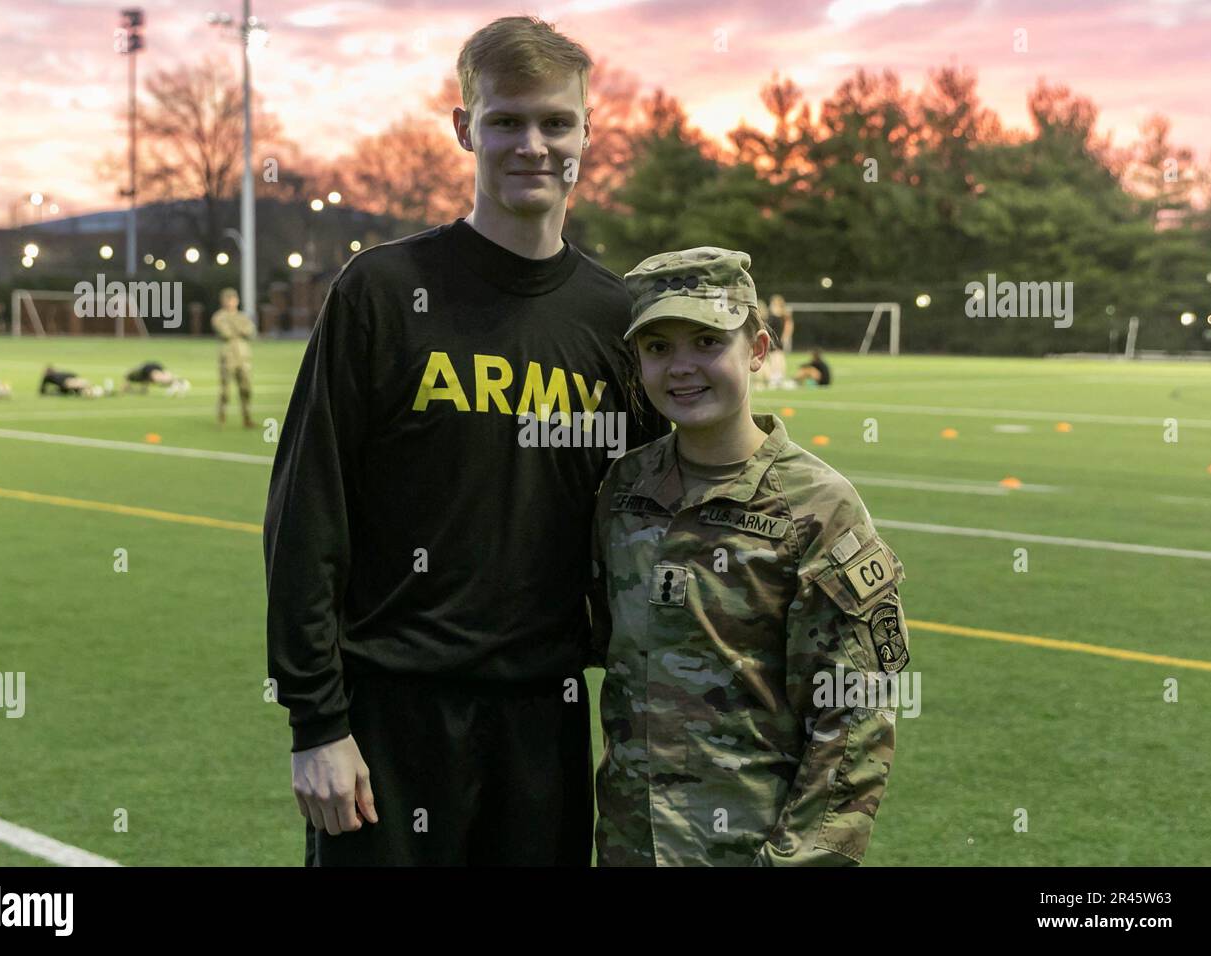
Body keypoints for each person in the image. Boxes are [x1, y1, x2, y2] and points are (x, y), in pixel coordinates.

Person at [264, 15, 668, 867]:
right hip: (390, 720)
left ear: (588, 134)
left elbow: (666, 514)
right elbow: (308, 512)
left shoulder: (616, 319)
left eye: (557, 121)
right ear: (464, 128)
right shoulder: (381, 291)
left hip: (545, 718)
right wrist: (317, 725)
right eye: (506, 120)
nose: (533, 144)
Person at [590, 247, 909, 866]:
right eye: (658, 348)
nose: (682, 368)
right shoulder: (624, 489)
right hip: (630, 846)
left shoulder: (818, 506)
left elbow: (855, 718)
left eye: (707, 341)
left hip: (750, 851)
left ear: (757, 350)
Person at [211, 288, 255, 427]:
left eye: (233, 299)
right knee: (225, 391)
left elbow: (250, 331)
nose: (231, 302)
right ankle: (221, 417)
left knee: (246, 388)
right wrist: (238, 328)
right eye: (228, 299)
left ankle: (247, 418)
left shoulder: (242, 316)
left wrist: (236, 327)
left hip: (243, 356)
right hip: (227, 356)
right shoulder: (218, 317)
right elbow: (226, 333)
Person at [124, 361, 189, 396]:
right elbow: (146, 383)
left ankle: (178, 383)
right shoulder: (141, 375)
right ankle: (177, 382)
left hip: (150, 368)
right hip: (154, 366)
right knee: (164, 380)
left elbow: (129, 374)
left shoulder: (135, 374)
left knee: (161, 379)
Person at [40, 365, 106, 398]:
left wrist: (54, 392)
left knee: (84, 389)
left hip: (69, 383)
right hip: (74, 380)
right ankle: (103, 391)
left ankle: (98, 391)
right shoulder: (60, 372)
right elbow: (74, 375)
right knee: (86, 387)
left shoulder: (48, 376)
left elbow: (41, 390)